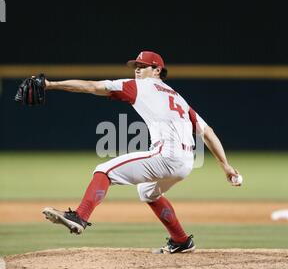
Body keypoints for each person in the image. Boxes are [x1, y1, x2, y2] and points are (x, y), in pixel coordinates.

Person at [43, 51, 242, 254]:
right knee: (147, 191)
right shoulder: (179, 98)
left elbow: (92, 87)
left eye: (143, 65)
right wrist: (225, 165)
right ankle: (181, 240)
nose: (137, 69)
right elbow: (207, 132)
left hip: (166, 155)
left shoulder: (139, 86)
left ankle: (80, 216)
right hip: (186, 162)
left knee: (104, 170)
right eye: (136, 66)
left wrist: (50, 85)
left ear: (157, 71)